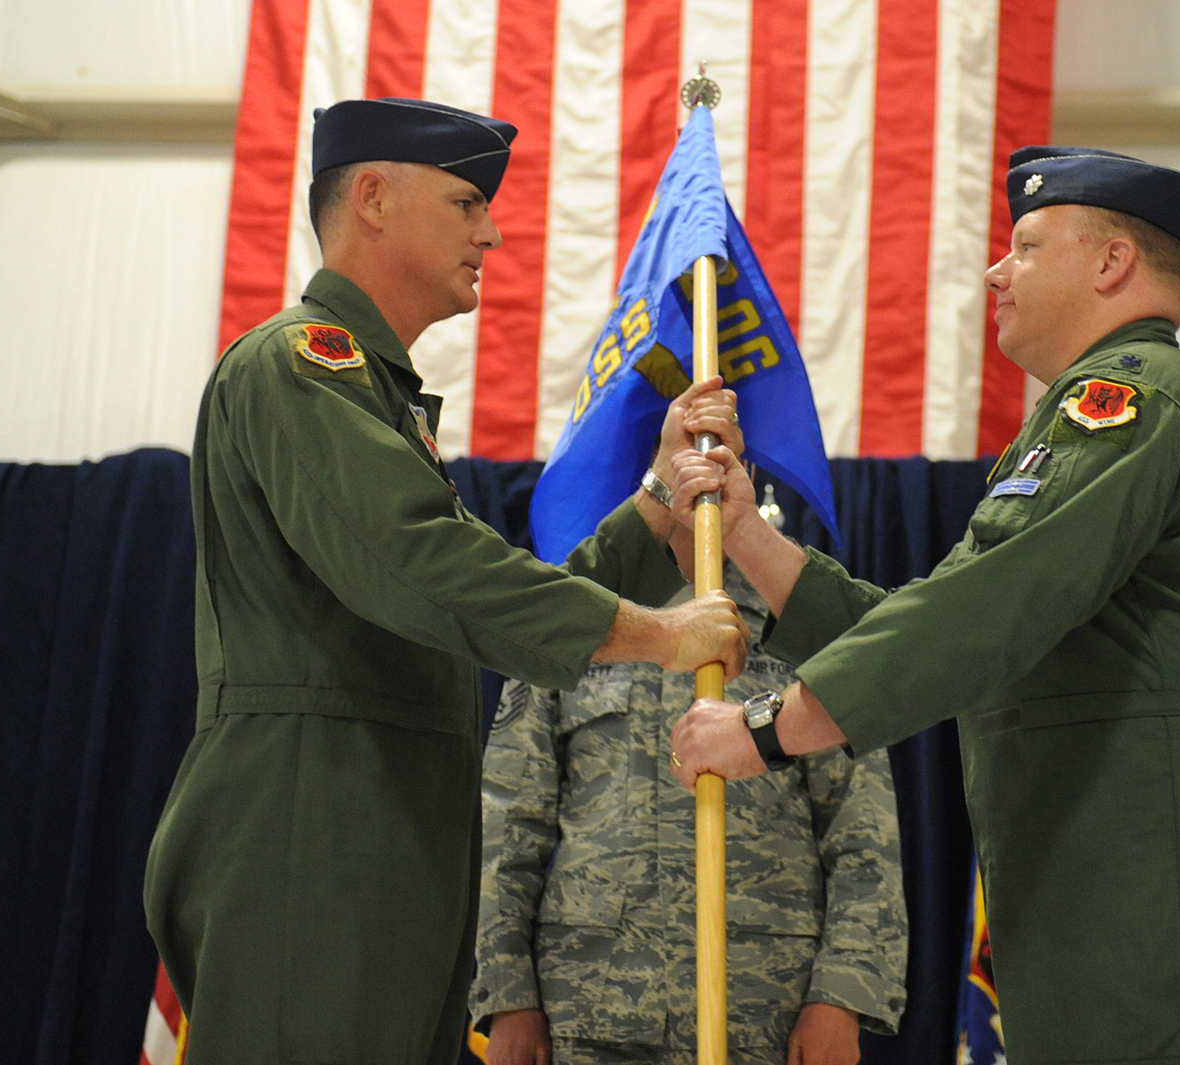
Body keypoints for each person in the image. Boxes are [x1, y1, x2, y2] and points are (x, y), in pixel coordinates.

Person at [666, 146, 1180, 1064]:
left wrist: (766, 729)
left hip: (1160, 865)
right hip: (1105, 864)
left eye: (1027, 245)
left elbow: (983, 610)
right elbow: (961, 630)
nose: (996, 271)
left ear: (1112, 263)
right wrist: (748, 535)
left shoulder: (1133, 398)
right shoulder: (1085, 413)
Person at [142, 97, 749, 1065]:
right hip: (310, 828)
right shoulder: (298, 365)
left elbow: (476, 586)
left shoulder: (374, 399)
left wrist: (656, 503)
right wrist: (657, 634)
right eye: (466, 203)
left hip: (374, 828)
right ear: (373, 198)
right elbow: (422, 564)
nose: (492, 233)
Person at [470, 564, 909, 1065]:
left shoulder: (797, 618)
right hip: (589, 1013)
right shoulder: (576, 612)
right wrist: (507, 996)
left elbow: (862, 830)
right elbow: (508, 821)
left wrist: (841, 996)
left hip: (767, 1014)